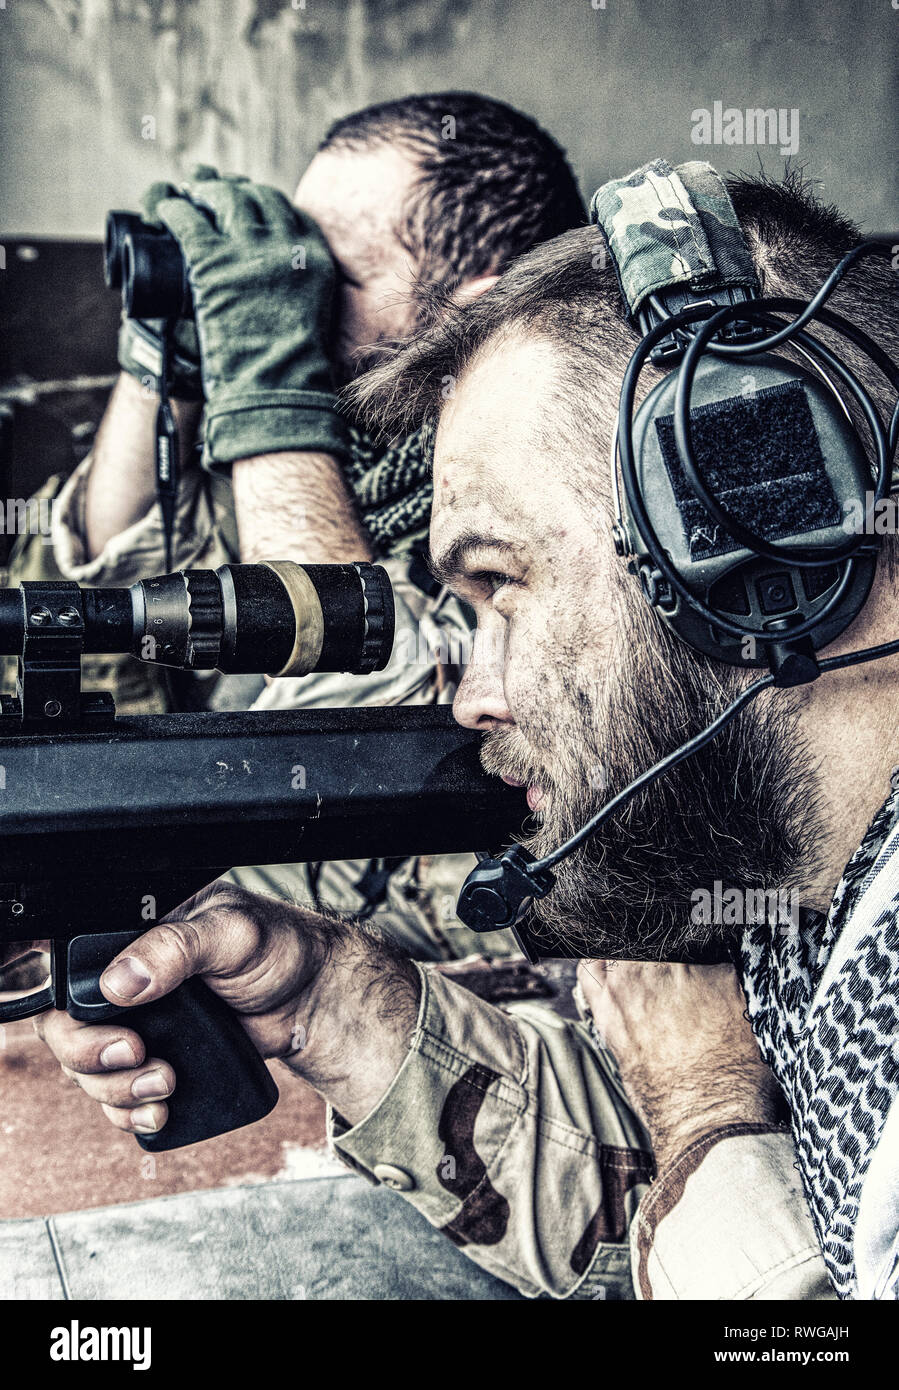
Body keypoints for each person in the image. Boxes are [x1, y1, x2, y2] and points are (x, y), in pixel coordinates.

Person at [36, 167, 866, 1300]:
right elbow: (661, 1215)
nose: (465, 700)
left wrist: (707, 1114)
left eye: (498, 584)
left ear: (753, 533)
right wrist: (338, 1004)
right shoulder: (789, 880)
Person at [47, 92, 587, 960]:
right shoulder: (333, 454)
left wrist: (269, 393)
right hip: (241, 923)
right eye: (275, 267)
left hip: (434, 961)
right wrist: (174, 357)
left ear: (473, 312)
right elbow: (84, 597)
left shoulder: (561, 492)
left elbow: (363, 738)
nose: (288, 302)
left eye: (325, 275)